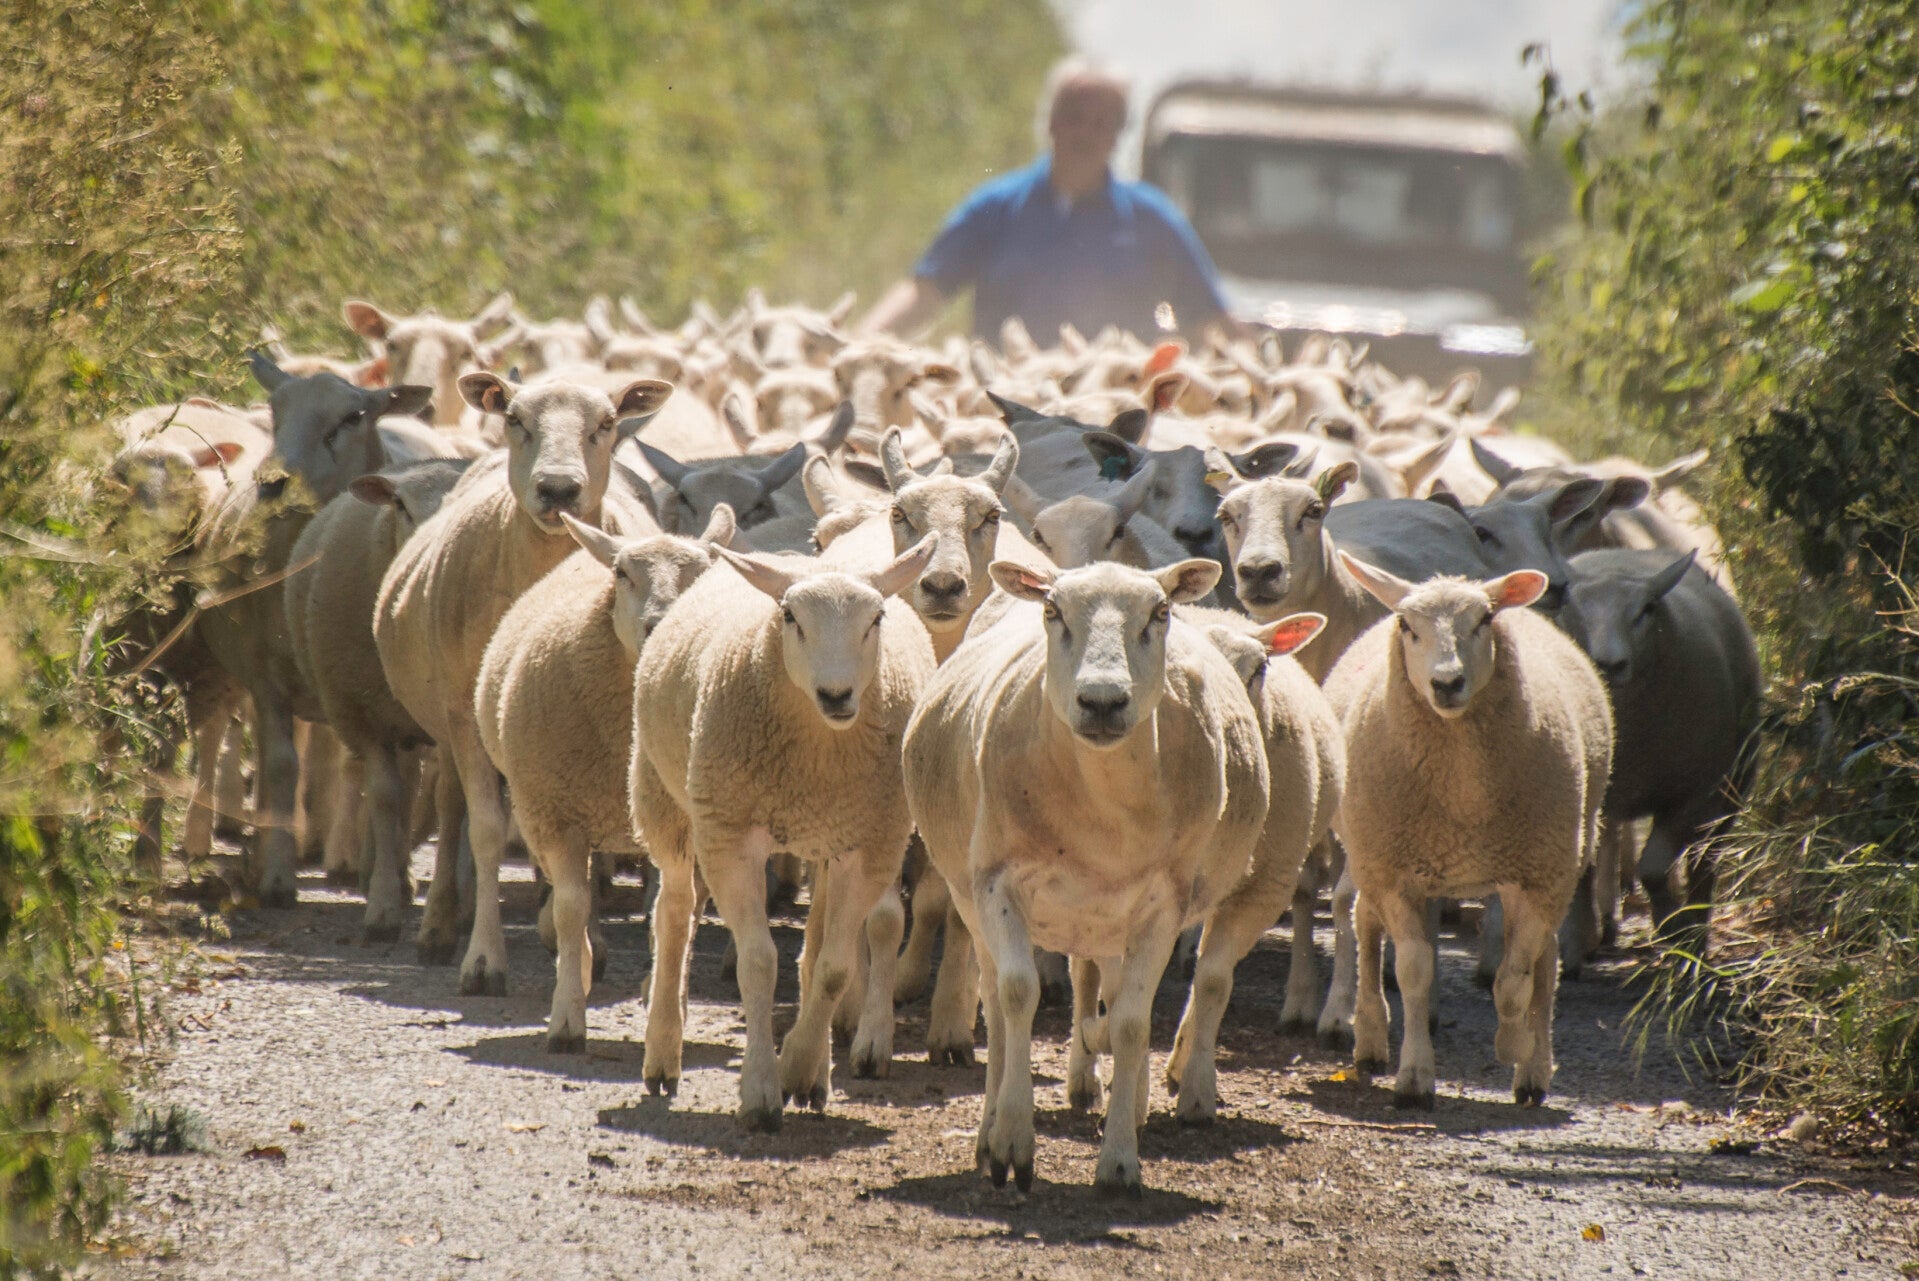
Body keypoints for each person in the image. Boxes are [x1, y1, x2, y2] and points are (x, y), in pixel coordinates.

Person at [861, 58, 1234, 343]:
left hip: (1116, 421)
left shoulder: (1153, 220)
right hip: (1003, 411)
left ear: (1119, 134)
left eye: (1103, 122)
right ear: (1051, 121)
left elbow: (1211, 321)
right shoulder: (996, 208)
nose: (1086, 132)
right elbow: (926, 291)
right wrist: (857, 347)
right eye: (1075, 116)